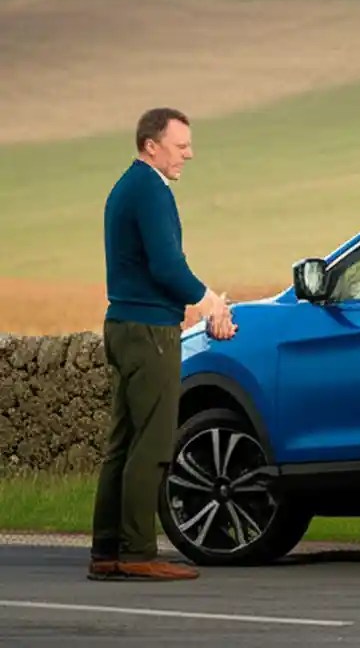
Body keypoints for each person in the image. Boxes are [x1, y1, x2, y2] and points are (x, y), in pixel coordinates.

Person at [88, 107, 237, 581]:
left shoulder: (127, 187)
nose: (189, 154)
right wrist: (212, 303)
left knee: (123, 444)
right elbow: (167, 267)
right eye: (180, 145)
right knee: (151, 443)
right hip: (149, 330)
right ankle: (135, 551)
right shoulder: (149, 190)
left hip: (124, 325)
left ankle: (106, 552)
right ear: (151, 145)